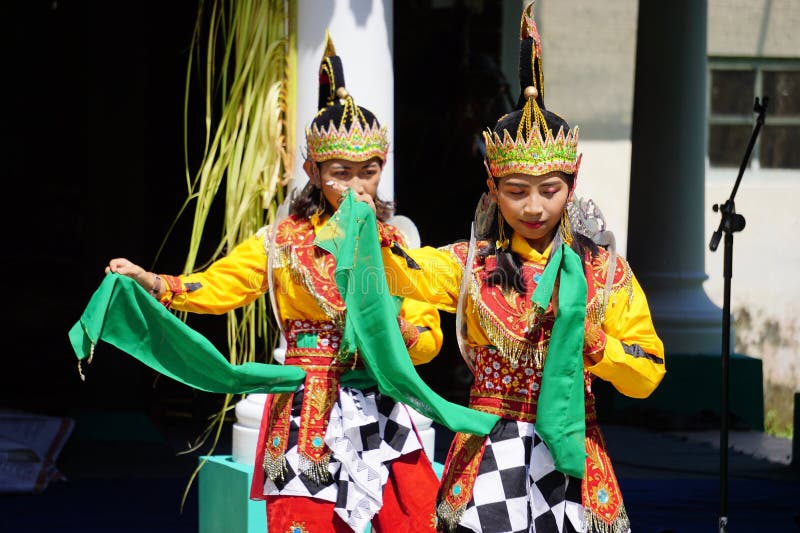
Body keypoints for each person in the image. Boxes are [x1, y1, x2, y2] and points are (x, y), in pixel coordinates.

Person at [103, 33, 466, 533]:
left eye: (369, 171)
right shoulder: (280, 243)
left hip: (380, 407)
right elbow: (218, 286)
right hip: (304, 413)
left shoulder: (399, 244)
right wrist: (154, 282)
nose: (358, 186)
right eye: (342, 172)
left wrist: (390, 334)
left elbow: (429, 339)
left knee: (416, 522)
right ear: (313, 171)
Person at [375, 4, 666, 532]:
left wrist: (595, 348)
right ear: (493, 188)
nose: (534, 208)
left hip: (574, 452)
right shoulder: (473, 265)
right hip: (490, 450)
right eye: (517, 192)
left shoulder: (603, 272)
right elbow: (409, 271)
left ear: (571, 186)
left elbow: (648, 370)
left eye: (549, 191)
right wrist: (374, 237)